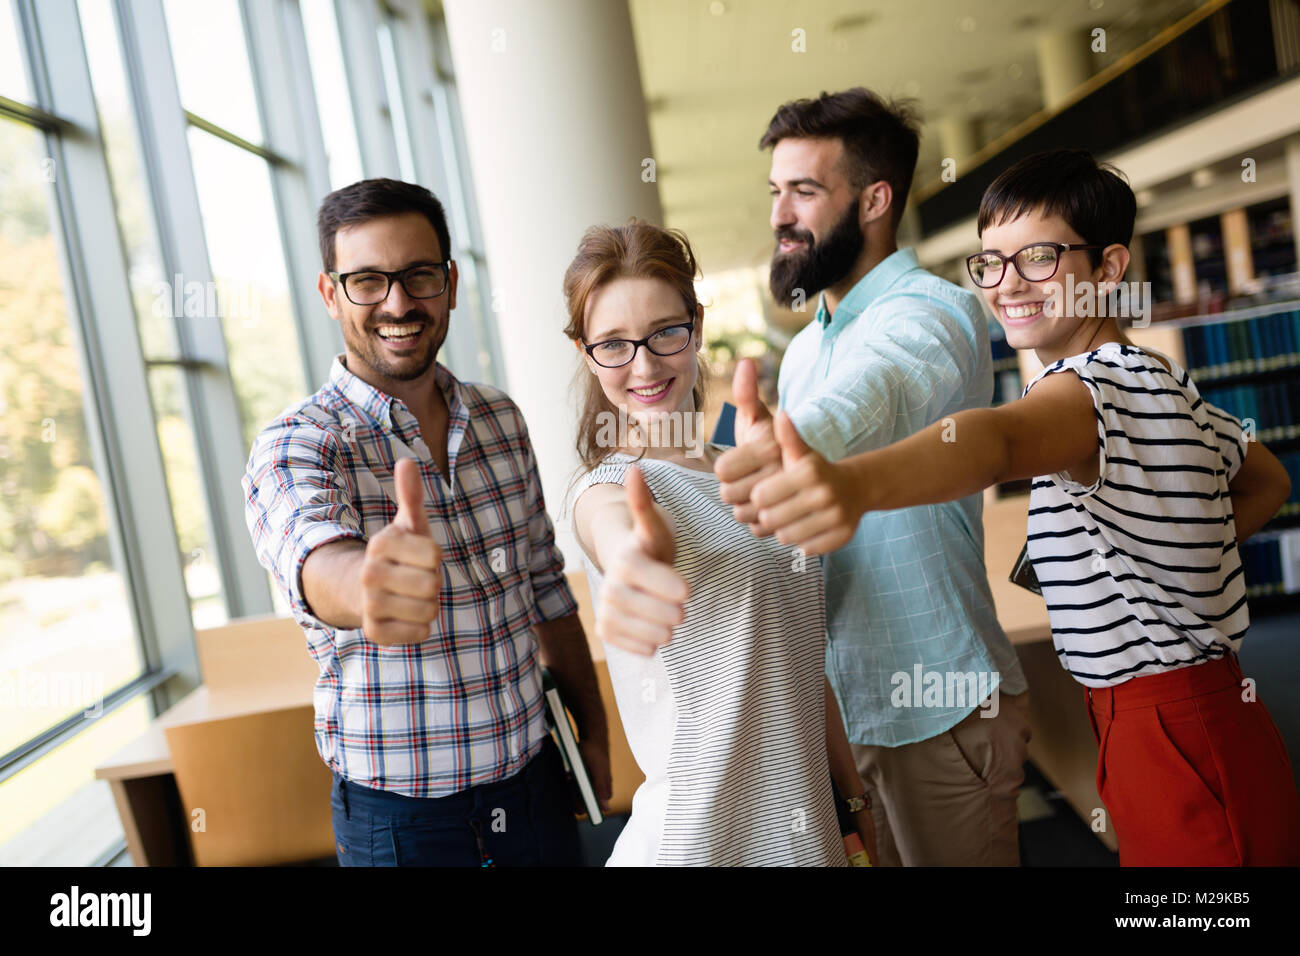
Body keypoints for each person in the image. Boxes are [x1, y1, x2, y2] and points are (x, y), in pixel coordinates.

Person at [750, 149, 1300, 866]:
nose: (1007, 285)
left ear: (1108, 268)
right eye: (991, 263)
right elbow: (1267, 480)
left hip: (1171, 725)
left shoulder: (1083, 391)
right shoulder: (1158, 376)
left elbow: (996, 442)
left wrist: (851, 486)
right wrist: (1169, 571)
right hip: (1186, 712)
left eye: (1038, 258)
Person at [242, 178, 610, 866]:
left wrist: (593, 733)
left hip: (533, 787)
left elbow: (546, 589)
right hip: (401, 824)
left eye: (418, 276)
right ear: (330, 294)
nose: (398, 303)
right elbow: (315, 559)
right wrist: (367, 585)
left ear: (451, 282)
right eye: (367, 281)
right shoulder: (299, 443)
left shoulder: (500, 418)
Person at [715, 87, 1030, 866]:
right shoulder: (804, 354)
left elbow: (882, 389)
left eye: (805, 191)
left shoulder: (936, 313)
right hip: (851, 710)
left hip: (942, 701)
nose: (780, 214)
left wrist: (795, 446)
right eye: (775, 192)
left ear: (875, 199)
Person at [564, 220, 871, 866]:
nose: (643, 366)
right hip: (699, 841)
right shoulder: (611, 486)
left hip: (805, 831)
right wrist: (625, 563)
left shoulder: (746, 469)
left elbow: (802, 661)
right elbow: (608, 525)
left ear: (696, 325)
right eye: (612, 345)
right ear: (585, 353)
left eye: (663, 334)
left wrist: (853, 803)